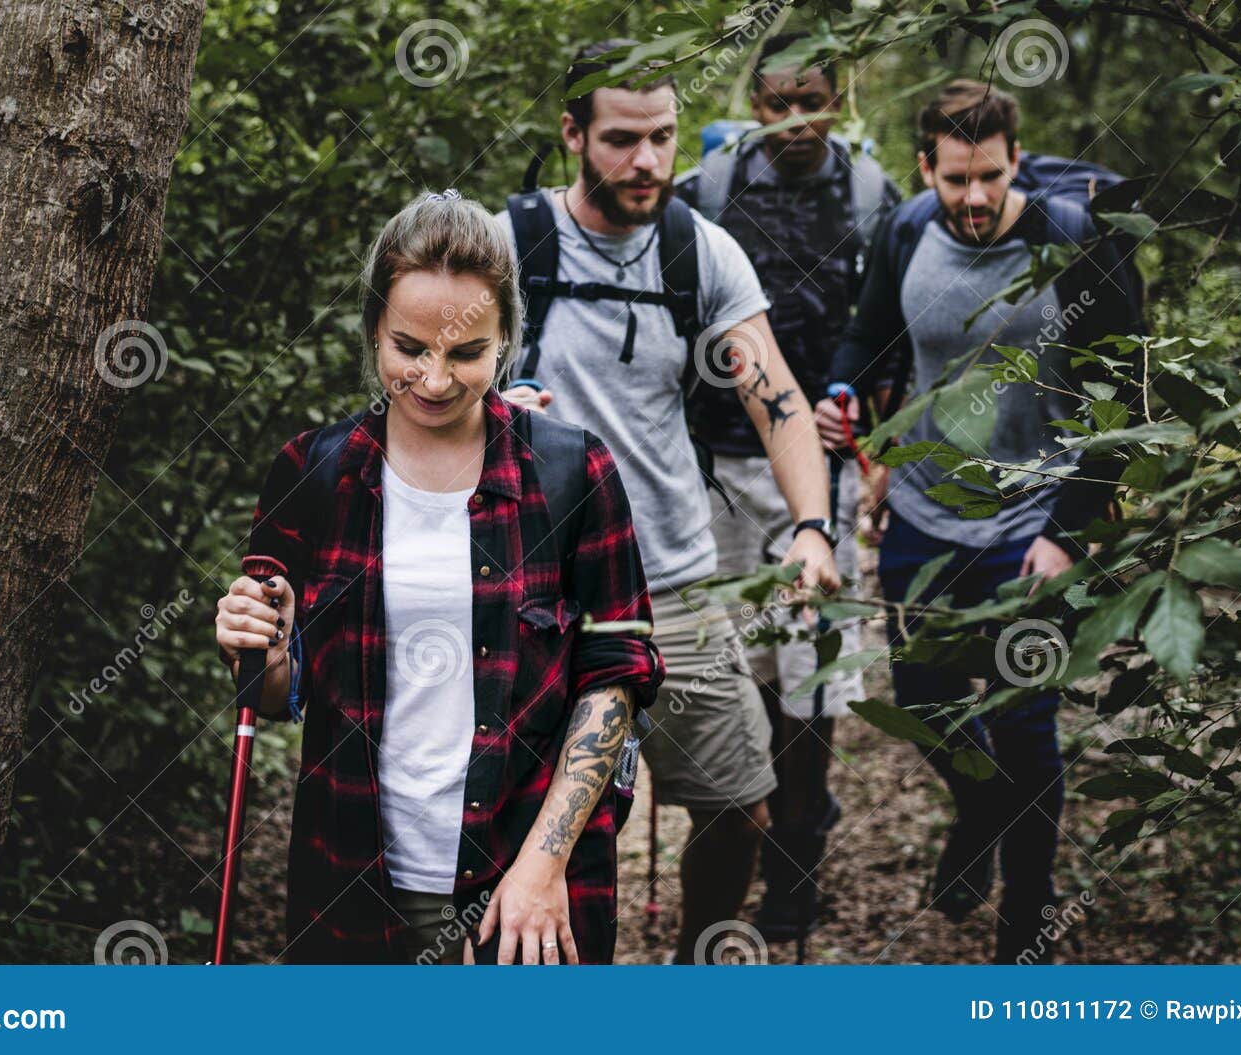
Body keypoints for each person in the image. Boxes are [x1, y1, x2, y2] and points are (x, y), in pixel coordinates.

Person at [214, 190, 664, 964]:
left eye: (465, 353)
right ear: (372, 334)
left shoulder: (572, 472)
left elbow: (615, 680)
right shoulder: (310, 474)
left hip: (528, 887)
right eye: (408, 347)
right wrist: (256, 646)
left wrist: (543, 862)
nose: (432, 378)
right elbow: (278, 694)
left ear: (506, 343)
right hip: (350, 878)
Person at [494, 41, 840, 964]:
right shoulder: (507, 245)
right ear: (572, 134)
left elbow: (783, 403)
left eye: (662, 137)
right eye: (620, 139)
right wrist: (487, 415)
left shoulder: (699, 250)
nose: (646, 161)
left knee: (739, 810)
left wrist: (811, 527)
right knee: (540, 827)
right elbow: (414, 384)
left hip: (674, 588)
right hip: (537, 590)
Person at [822, 80, 1143, 963]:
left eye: (991, 178)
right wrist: (841, 389)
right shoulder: (905, 231)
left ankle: (1022, 935)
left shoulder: (1075, 239)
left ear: (1015, 163)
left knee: (1023, 724)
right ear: (925, 167)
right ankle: (980, 812)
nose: (972, 199)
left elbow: (1128, 398)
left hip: (1032, 515)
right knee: (925, 701)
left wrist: (1069, 531)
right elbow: (870, 333)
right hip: (925, 508)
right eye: (955, 178)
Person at [674, 31, 902, 944]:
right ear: (756, 104)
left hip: (829, 473)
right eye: (779, 103)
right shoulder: (707, 195)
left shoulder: (874, 198)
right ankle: (750, 823)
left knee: (814, 674)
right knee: (744, 665)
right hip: (724, 467)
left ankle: (799, 853)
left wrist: (877, 441)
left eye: (814, 100)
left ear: (839, 98)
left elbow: (893, 329)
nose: (796, 120)